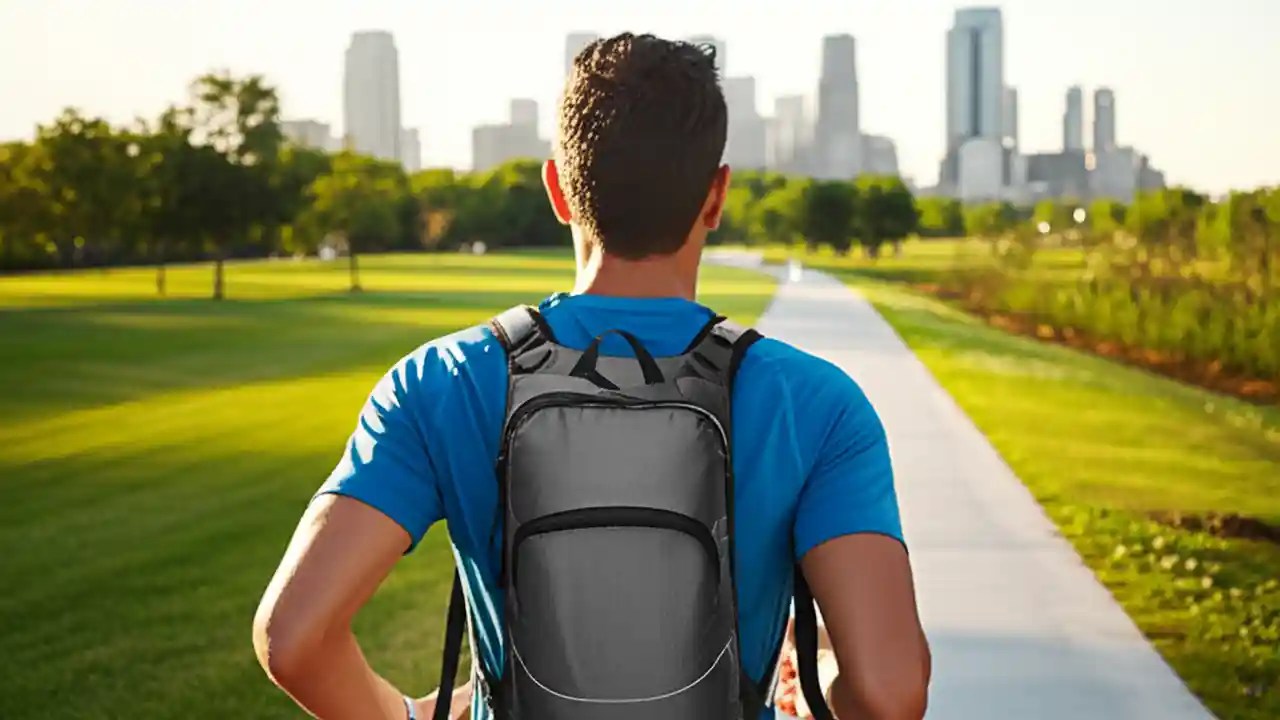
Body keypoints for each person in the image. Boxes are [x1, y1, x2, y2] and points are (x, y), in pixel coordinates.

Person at [253, 32, 930, 720]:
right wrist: (819, 672)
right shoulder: (816, 402)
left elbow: (296, 639)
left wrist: (411, 715)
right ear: (716, 195)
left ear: (558, 189)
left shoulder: (441, 380)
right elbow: (889, 693)